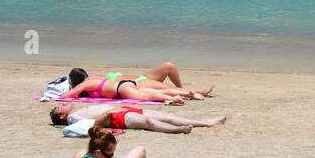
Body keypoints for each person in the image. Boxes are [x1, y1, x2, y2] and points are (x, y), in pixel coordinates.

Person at [51, 102, 227, 136]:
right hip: (116, 116)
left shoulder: (77, 110)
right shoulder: (72, 118)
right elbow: (92, 126)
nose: (63, 104)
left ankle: (206, 122)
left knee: (168, 115)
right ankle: (179, 130)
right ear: (62, 116)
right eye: (60, 107)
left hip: (121, 110)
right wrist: (108, 114)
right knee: (148, 123)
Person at [59, 70, 211, 103]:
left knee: (149, 97)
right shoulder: (94, 78)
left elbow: (69, 95)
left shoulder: (87, 84)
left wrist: (58, 96)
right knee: (158, 90)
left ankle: (175, 98)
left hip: (121, 90)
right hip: (128, 85)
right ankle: (189, 93)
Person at [67, 61, 199, 93]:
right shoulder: (94, 85)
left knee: (169, 66)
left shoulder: (97, 80)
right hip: (139, 84)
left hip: (143, 78)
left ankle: (183, 89)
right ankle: (189, 91)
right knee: (168, 80)